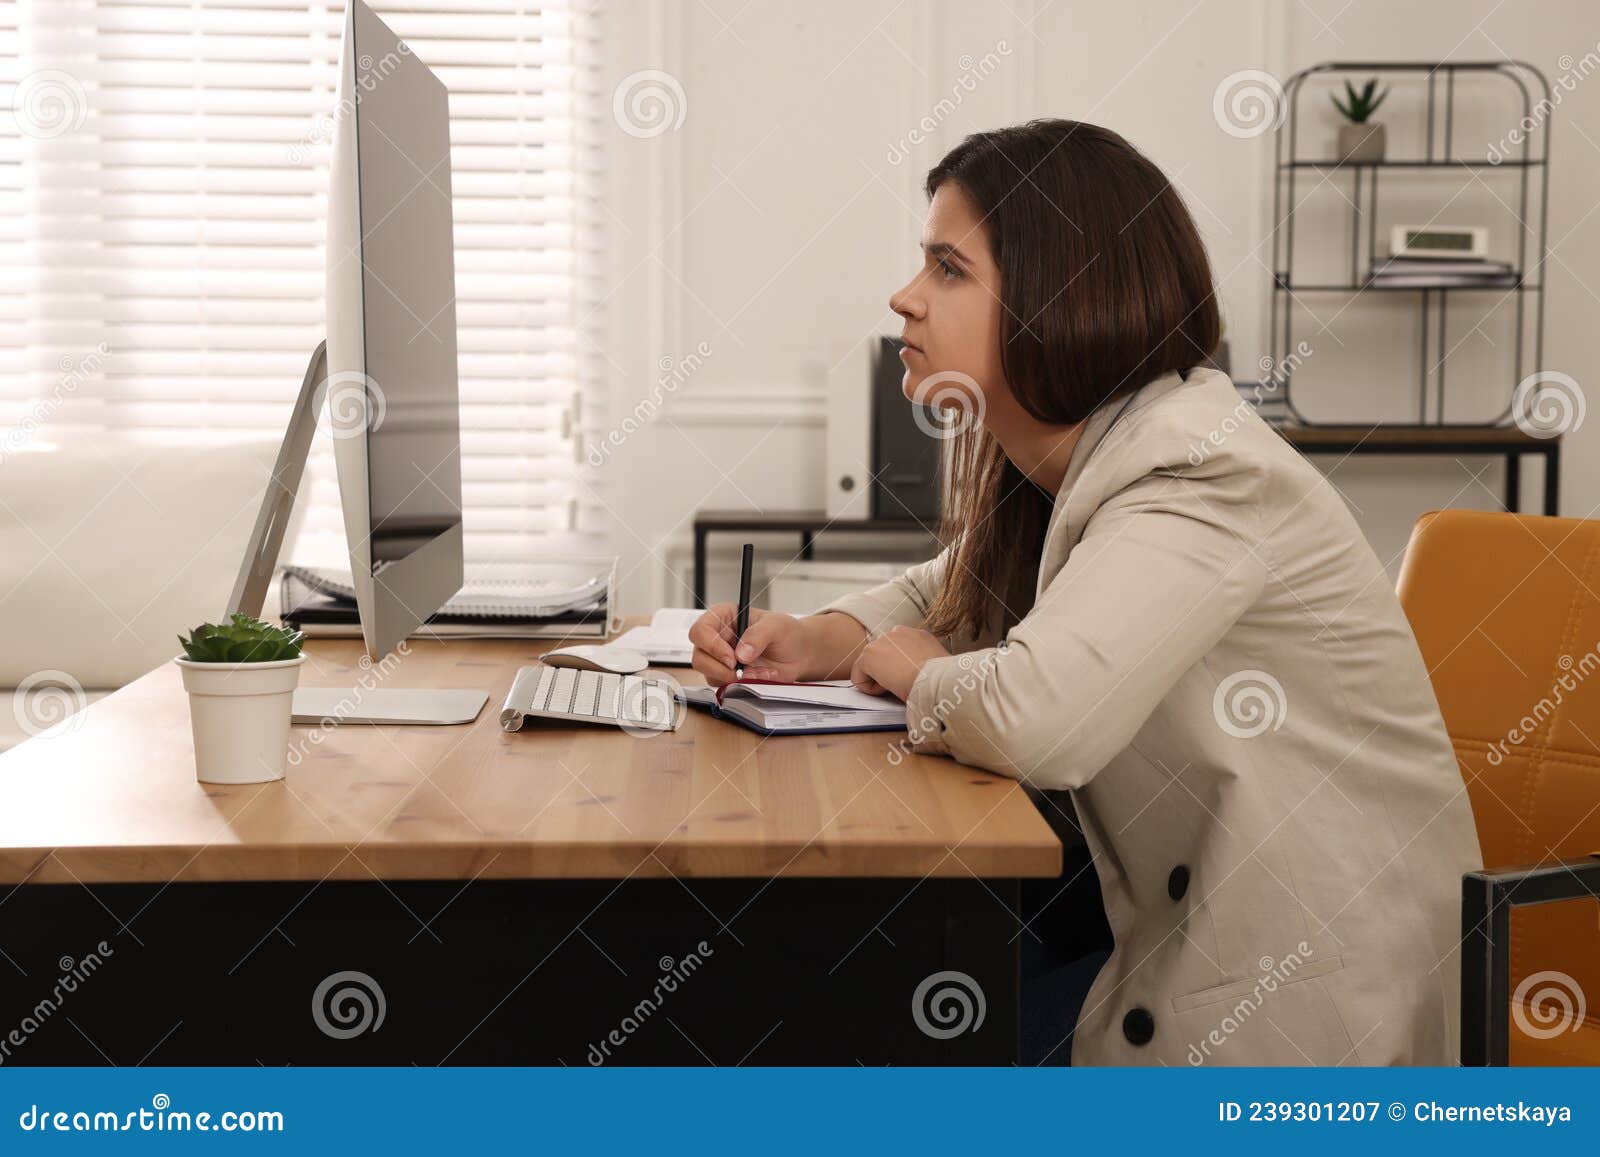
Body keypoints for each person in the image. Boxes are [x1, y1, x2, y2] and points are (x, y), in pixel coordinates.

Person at [688, 119, 1482, 1066]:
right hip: (1176, 929)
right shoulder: (1093, 457)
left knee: (881, 1034)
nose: (903, 298)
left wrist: (920, 671)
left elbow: (1037, 722)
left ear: (1063, 293)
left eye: (947, 269)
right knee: (885, 994)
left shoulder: (1199, 472)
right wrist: (822, 635)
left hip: (1303, 1005)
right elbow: (959, 581)